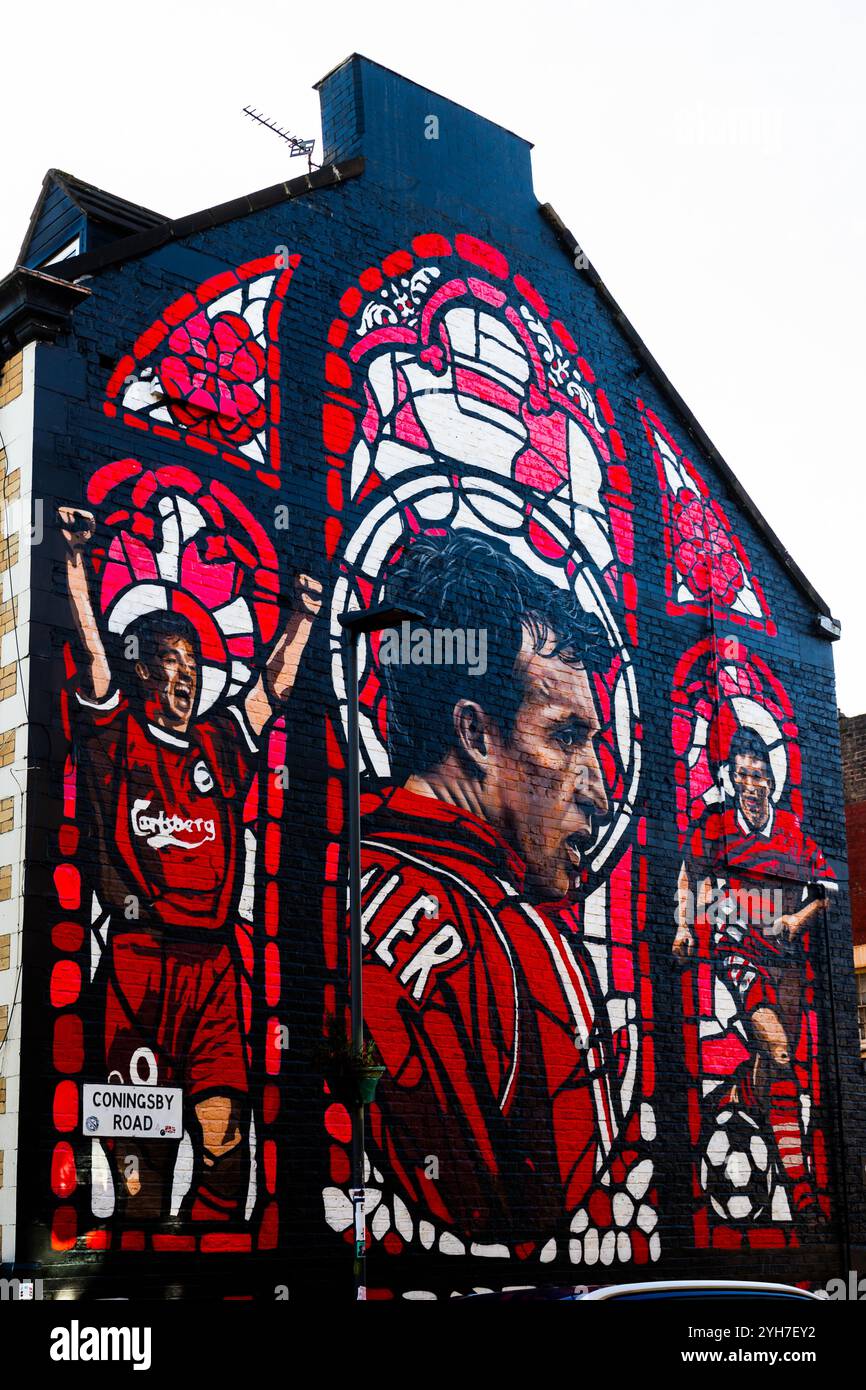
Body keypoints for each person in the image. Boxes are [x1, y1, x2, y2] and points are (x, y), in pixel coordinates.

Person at [355, 530, 619, 1246]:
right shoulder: (509, 942)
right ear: (474, 733)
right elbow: (550, 1206)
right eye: (567, 737)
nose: (598, 789)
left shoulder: (328, 869)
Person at [59, 505, 321, 1225]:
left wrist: (300, 617)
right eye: (168, 666)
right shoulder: (116, 739)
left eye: (193, 669)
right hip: (138, 969)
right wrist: (77, 566)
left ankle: (215, 1255)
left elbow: (270, 693)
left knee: (225, 1136)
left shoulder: (218, 747)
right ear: (140, 669)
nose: (183, 682)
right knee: (138, 1158)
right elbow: (90, 659)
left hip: (212, 973)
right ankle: (148, 1270)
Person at [673, 726, 835, 1216]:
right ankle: (800, 1188)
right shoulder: (715, 823)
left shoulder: (789, 829)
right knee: (781, 1049)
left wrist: (796, 918)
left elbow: (827, 889)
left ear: (771, 781)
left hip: (785, 955)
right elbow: (690, 876)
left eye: (759, 774)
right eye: (742, 773)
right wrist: (685, 924)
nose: (750, 782)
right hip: (737, 949)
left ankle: (739, 1092)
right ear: (730, 777)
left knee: (774, 1061)